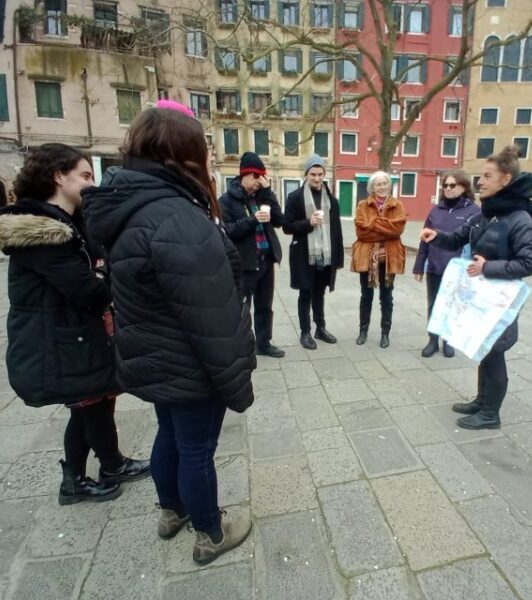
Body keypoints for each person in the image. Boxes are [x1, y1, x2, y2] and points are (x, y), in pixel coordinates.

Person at [82, 107, 256, 566]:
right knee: (196, 449)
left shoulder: (137, 205)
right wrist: (236, 378)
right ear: (184, 152)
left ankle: (171, 511)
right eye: (204, 147)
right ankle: (210, 533)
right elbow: (212, 317)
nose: (210, 156)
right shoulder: (177, 217)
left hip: (155, 355)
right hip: (190, 360)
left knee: (172, 436)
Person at [0, 143, 150, 506]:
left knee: (94, 402)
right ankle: (89, 474)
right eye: (85, 175)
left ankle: (101, 467)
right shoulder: (43, 232)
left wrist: (102, 271)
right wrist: (104, 275)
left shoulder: (72, 223)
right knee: (90, 403)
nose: (91, 183)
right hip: (59, 338)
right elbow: (88, 289)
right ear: (59, 176)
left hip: (77, 333)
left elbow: (100, 265)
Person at [420, 145, 532, 430]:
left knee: (494, 353)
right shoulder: (485, 214)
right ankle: (482, 401)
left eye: (487, 176)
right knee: (484, 351)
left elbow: (529, 262)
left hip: (501, 300)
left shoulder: (519, 218)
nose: (480, 181)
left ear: (505, 179)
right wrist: (436, 235)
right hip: (482, 298)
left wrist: (487, 267)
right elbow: (457, 238)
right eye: (480, 175)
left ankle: (490, 414)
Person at [220, 152, 286, 358]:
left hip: (265, 259)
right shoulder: (226, 200)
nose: (260, 181)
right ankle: (241, 346)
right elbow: (227, 231)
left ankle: (263, 343)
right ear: (244, 175)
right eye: (257, 176)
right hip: (245, 262)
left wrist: (268, 192)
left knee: (265, 305)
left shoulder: (261, 196)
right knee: (242, 307)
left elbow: (279, 220)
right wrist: (253, 220)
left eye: (263, 177)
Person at [413, 170, 480, 358]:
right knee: (434, 305)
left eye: (452, 185)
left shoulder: (474, 212)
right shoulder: (435, 210)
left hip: (458, 270)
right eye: (445, 185)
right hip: (435, 267)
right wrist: (419, 266)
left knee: (454, 306)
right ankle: (433, 341)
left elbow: (478, 242)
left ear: (463, 187)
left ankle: (448, 341)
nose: (448, 188)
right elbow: (425, 238)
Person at [282, 154, 344, 350]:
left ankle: (320, 328)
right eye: (313, 174)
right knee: (305, 293)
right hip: (304, 255)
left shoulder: (331, 200)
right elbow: (286, 227)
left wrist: (338, 259)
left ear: (324, 174)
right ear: (306, 175)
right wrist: (308, 223)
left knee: (320, 293)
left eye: (320, 174)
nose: (317, 178)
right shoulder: (295, 197)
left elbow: (336, 231)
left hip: (325, 255)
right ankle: (305, 332)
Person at [351, 171, 407, 348]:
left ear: (389, 185)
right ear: (372, 187)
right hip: (367, 258)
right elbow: (361, 233)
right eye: (378, 184)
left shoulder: (397, 205)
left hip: (390, 258)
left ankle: (385, 333)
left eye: (385, 183)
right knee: (366, 296)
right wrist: (386, 230)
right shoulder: (363, 205)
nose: (382, 187)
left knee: (387, 297)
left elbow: (398, 230)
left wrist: (374, 223)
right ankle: (363, 331)